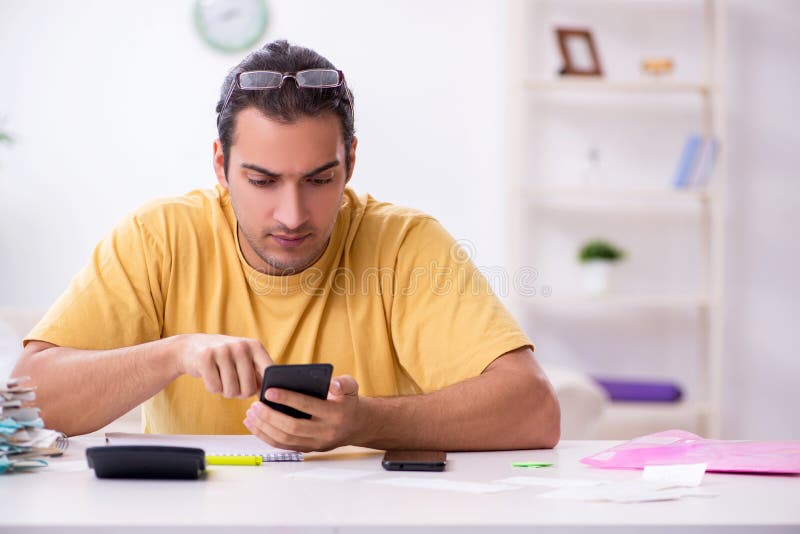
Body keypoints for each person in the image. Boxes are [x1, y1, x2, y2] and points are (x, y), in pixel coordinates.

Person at [12, 40, 559, 452]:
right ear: (222, 167)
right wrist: (175, 352)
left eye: (320, 180)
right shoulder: (158, 237)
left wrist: (362, 421)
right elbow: (26, 403)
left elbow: (535, 411)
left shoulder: (405, 244)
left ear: (351, 161)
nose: (293, 215)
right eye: (263, 180)